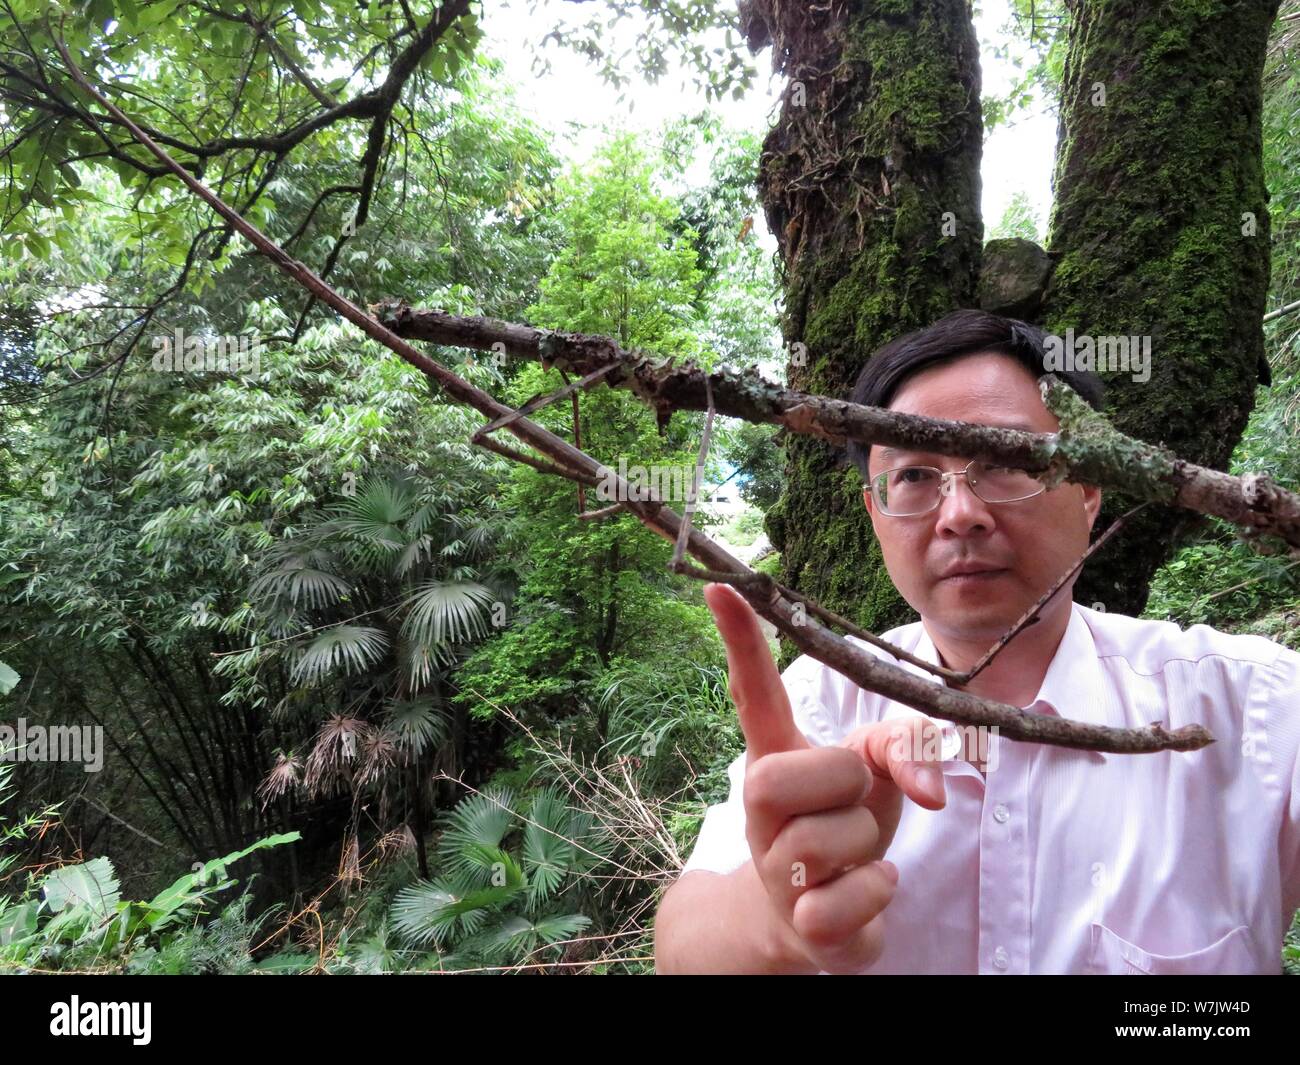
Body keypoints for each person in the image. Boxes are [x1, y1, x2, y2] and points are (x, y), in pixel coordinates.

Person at [653, 309, 1300, 974]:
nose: (960, 514)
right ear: (874, 514)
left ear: (1087, 490)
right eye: (913, 476)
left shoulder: (1255, 706)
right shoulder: (820, 704)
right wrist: (775, 914)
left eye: (1008, 460)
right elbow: (685, 939)